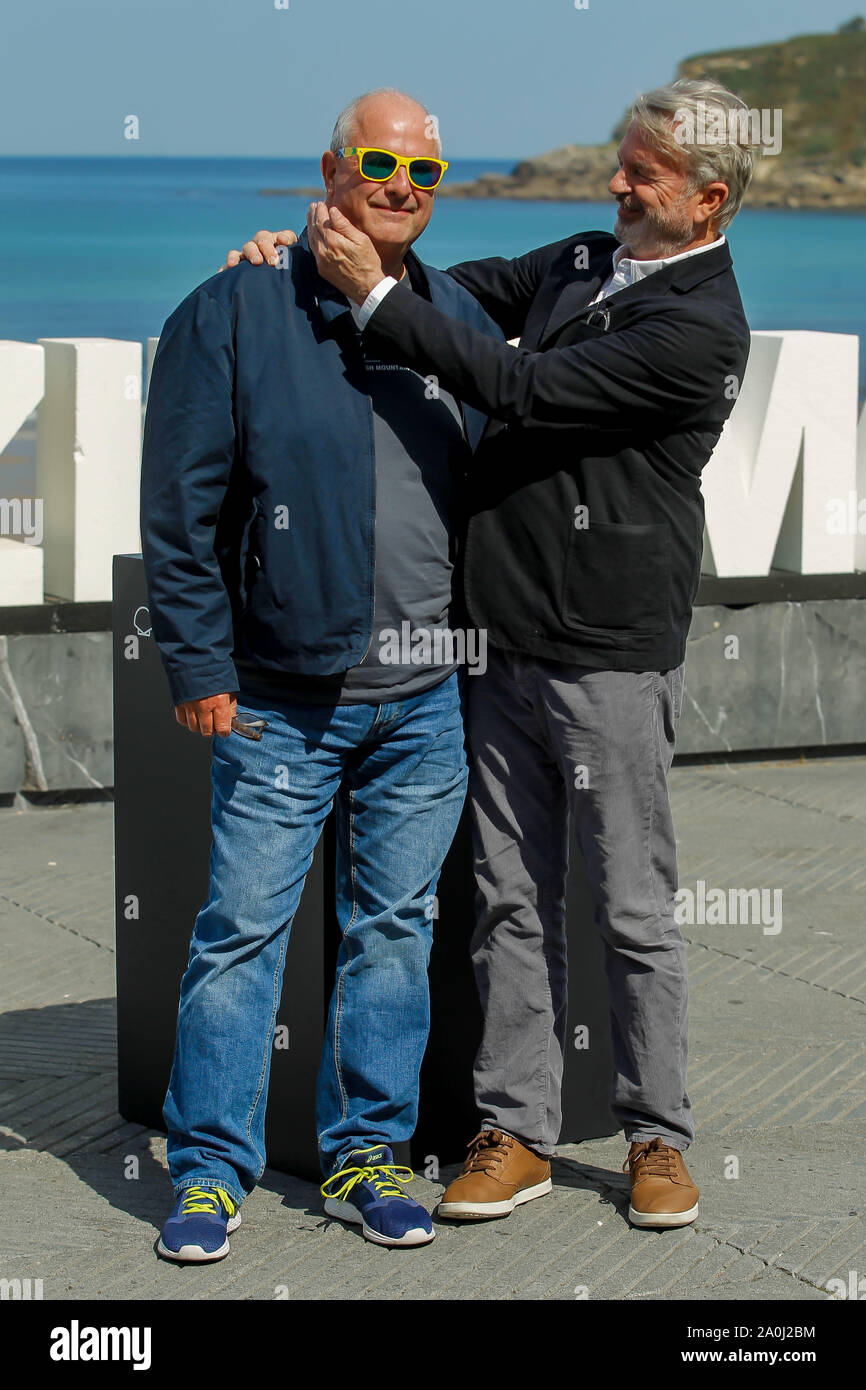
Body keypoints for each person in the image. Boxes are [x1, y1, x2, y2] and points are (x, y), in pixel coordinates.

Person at [227, 76, 756, 1229]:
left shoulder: (701, 326)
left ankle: (655, 1137)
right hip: (495, 640)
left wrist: (369, 297)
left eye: (643, 176)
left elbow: (520, 386)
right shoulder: (578, 258)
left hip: (608, 651)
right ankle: (511, 1130)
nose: (614, 183)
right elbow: (450, 295)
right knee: (509, 902)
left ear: (706, 199)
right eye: (621, 161)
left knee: (629, 908)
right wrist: (310, 258)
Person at [141, 88, 502, 1260]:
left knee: (391, 934)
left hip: (425, 701)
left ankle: (365, 1156)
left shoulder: (447, 313)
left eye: (424, 171)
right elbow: (180, 509)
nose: (400, 185)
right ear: (332, 167)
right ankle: (207, 1171)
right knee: (238, 933)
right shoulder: (239, 304)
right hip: (278, 702)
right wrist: (197, 661)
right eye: (379, 161)